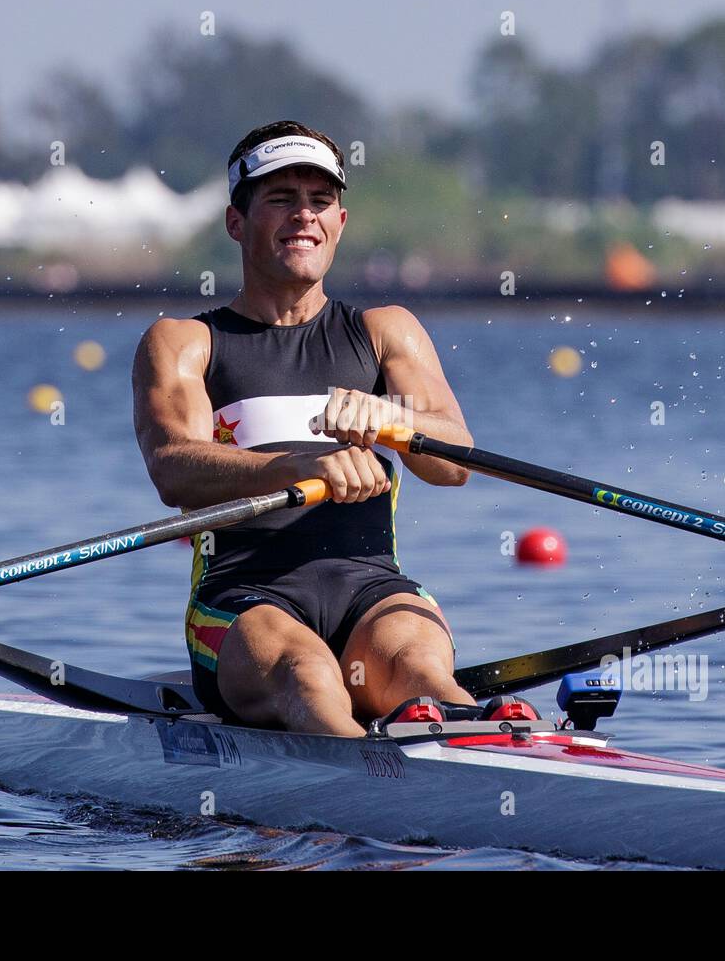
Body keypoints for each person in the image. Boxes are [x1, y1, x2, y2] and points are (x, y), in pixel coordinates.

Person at [133, 120, 480, 737]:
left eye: (321, 202)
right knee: (309, 677)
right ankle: (368, 788)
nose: (304, 217)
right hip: (242, 600)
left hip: (373, 588)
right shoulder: (186, 342)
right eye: (281, 200)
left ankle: (476, 756)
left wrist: (396, 422)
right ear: (236, 222)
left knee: (424, 675)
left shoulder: (385, 330)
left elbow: (453, 464)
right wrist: (294, 467)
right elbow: (172, 469)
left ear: (340, 224)